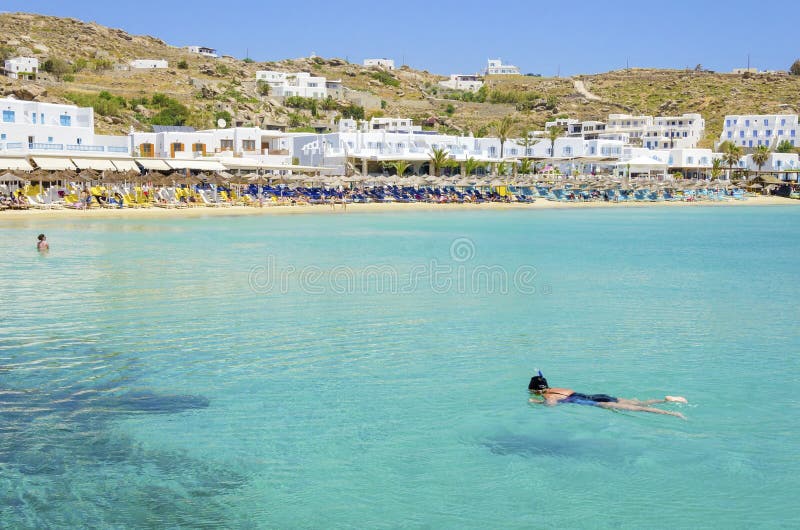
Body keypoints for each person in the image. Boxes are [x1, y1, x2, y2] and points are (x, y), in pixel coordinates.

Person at [528, 371, 687, 419]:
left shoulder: (549, 396)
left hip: (598, 404)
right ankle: (665, 400)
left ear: (534, 390)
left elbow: (551, 406)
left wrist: (536, 403)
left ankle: (672, 413)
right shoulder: (558, 388)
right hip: (598, 395)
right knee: (639, 403)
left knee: (638, 410)